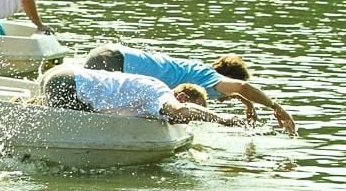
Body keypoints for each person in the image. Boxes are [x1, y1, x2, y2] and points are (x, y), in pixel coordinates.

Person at [82, 44, 297, 135]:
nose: (223, 98)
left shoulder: (200, 73)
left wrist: (247, 102)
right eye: (227, 94)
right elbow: (242, 86)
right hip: (114, 62)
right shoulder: (208, 77)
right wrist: (276, 107)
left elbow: (239, 90)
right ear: (225, 78)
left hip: (108, 54)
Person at [40, 65, 247, 127]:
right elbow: (179, 111)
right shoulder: (161, 94)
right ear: (182, 97)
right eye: (195, 113)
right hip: (68, 83)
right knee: (85, 126)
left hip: (63, 75)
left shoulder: (151, 91)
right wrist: (222, 118)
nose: (186, 122)